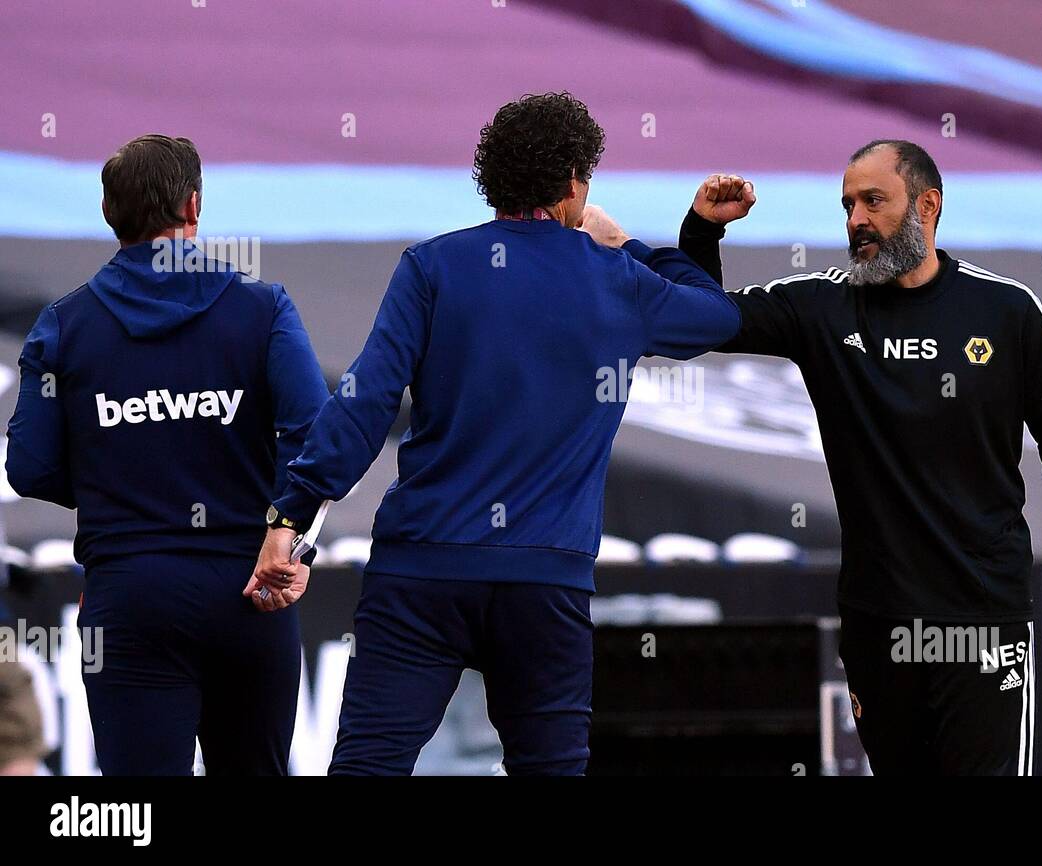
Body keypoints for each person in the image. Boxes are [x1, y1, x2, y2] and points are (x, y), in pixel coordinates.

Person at [583, 141, 1042, 775]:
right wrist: (699, 234)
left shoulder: (1007, 310)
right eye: (847, 205)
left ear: (928, 206)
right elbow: (711, 324)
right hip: (878, 620)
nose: (855, 219)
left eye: (873, 201)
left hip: (983, 620)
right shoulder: (822, 306)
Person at [253, 92, 740, 775]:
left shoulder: (431, 268)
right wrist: (633, 243)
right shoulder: (619, 280)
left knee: (367, 766)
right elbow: (717, 319)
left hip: (421, 571)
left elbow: (363, 403)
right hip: (545, 582)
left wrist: (292, 515)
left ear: (494, 180)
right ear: (576, 183)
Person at [5, 134, 328, 775]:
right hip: (251, 590)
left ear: (108, 213)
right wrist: (289, 534)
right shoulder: (263, 309)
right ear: (193, 205)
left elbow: (29, 467)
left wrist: (123, 472)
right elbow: (319, 437)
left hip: (128, 599)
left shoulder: (63, 326)